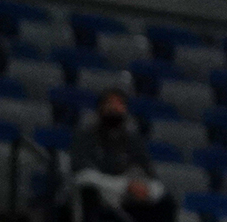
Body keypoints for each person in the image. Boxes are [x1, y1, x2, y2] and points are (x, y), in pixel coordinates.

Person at [71, 90, 172, 222]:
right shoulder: (86, 135)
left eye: (119, 104)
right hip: (101, 189)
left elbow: (149, 172)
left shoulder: (133, 139)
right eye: (110, 103)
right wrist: (124, 185)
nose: (115, 108)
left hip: (128, 194)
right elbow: (82, 172)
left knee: (166, 201)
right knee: (89, 192)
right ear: (100, 108)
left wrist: (144, 188)